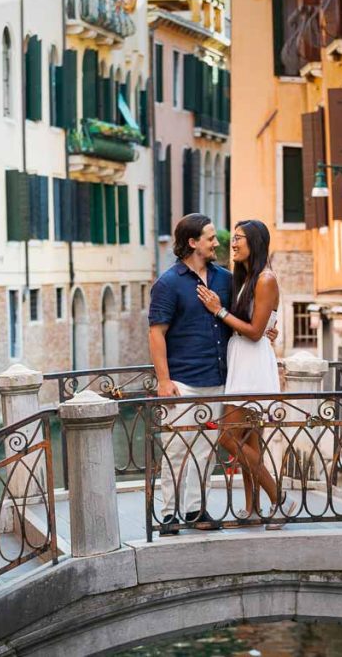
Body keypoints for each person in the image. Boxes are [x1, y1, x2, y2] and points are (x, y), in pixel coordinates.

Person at [196, 220, 297, 530]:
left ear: (254, 241)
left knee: (227, 436)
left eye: (238, 238)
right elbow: (260, 326)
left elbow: (254, 332)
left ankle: (281, 499)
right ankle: (252, 510)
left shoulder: (266, 279)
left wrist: (219, 311)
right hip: (242, 362)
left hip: (253, 367)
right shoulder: (245, 278)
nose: (233, 243)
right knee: (250, 441)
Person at [147, 214, 229, 534]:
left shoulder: (224, 279)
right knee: (176, 449)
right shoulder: (167, 283)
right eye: (210, 238)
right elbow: (157, 334)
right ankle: (169, 515)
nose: (216, 243)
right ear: (193, 243)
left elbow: (239, 315)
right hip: (181, 382)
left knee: (205, 451)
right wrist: (164, 381)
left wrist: (268, 331)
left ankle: (196, 511)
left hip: (217, 379)